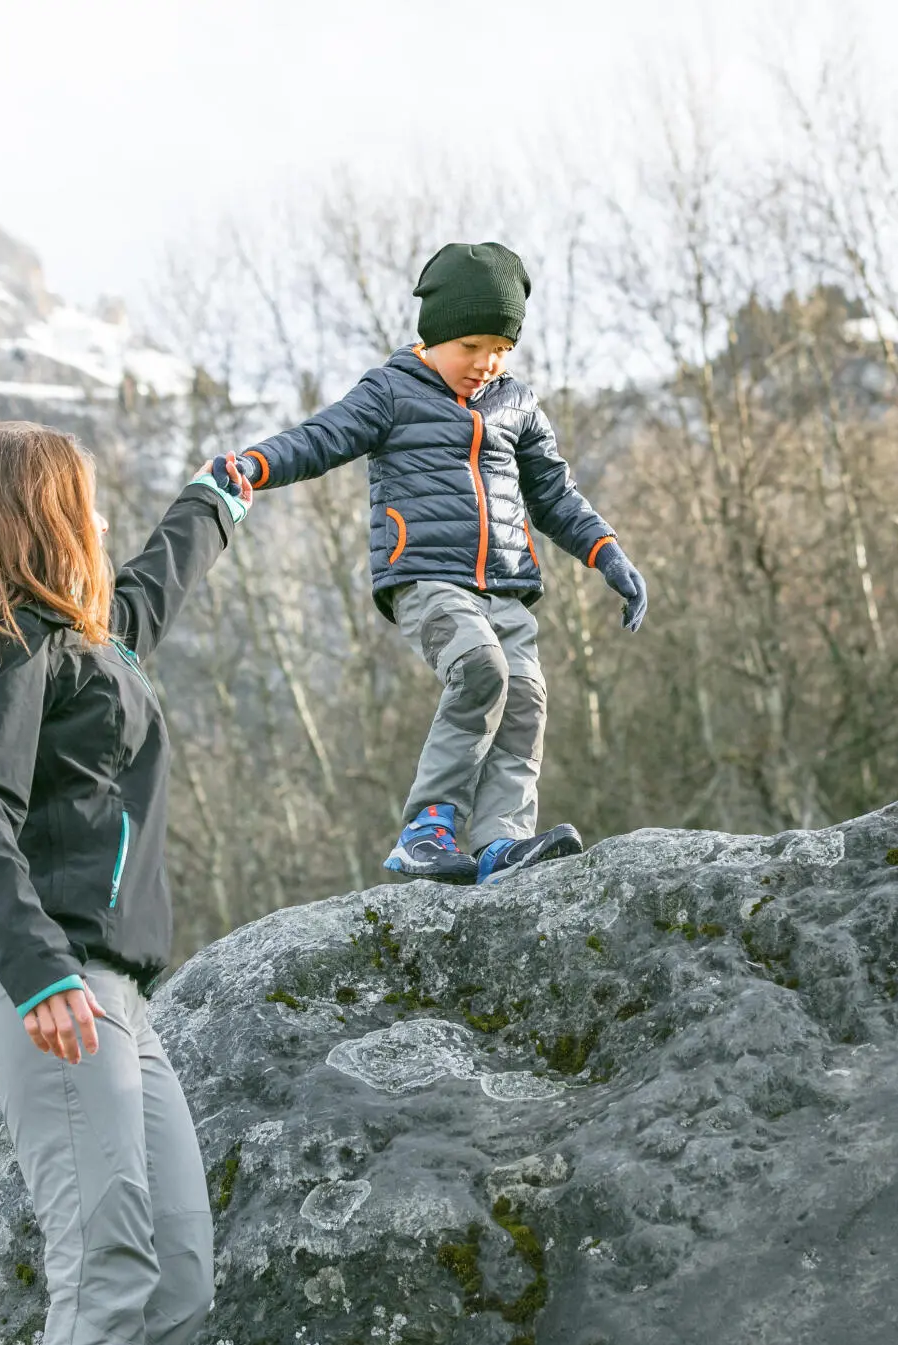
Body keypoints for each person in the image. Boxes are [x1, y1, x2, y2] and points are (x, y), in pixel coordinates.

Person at [0, 422, 253, 1345]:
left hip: (120, 1005)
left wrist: (214, 500)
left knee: (177, 1277)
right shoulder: (5, 639)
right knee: (105, 1269)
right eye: (83, 501)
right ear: (39, 515)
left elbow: (139, 602)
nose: (99, 519)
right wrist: (39, 967)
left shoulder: (82, 644)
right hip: (52, 989)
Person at [213, 240, 647, 886]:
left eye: (500, 348)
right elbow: (322, 437)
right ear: (436, 335)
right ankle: (427, 828)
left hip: (508, 586)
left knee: (526, 694)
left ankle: (503, 840)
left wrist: (607, 552)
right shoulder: (392, 392)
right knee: (480, 669)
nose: (485, 363)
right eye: (470, 347)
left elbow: (554, 494)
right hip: (426, 579)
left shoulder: (517, 405)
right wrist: (255, 463)